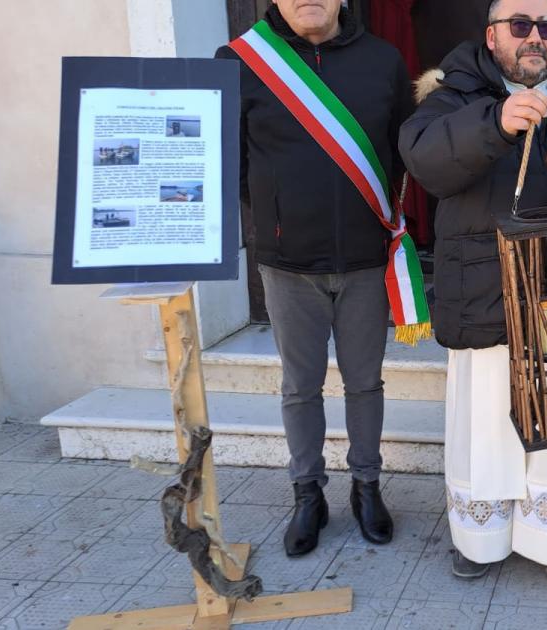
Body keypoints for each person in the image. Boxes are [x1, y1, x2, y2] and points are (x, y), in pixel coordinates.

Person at [399, 0, 547, 586]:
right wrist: (496, 123)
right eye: (520, 26)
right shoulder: (454, 95)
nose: (535, 38)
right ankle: (481, 540)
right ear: (492, 36)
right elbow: (425, 160)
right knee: (485, 427)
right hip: (482, 289)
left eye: (546, 28)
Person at [215, 0, 427, 557]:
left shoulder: (383, 61)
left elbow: (404, 153)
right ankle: (307, 492)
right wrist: (278, 210)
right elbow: (228, 158)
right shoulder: (242, 61)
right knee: (299, 387)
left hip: (365, 259)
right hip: (287, 265)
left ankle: (367, 487)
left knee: (365, 384)